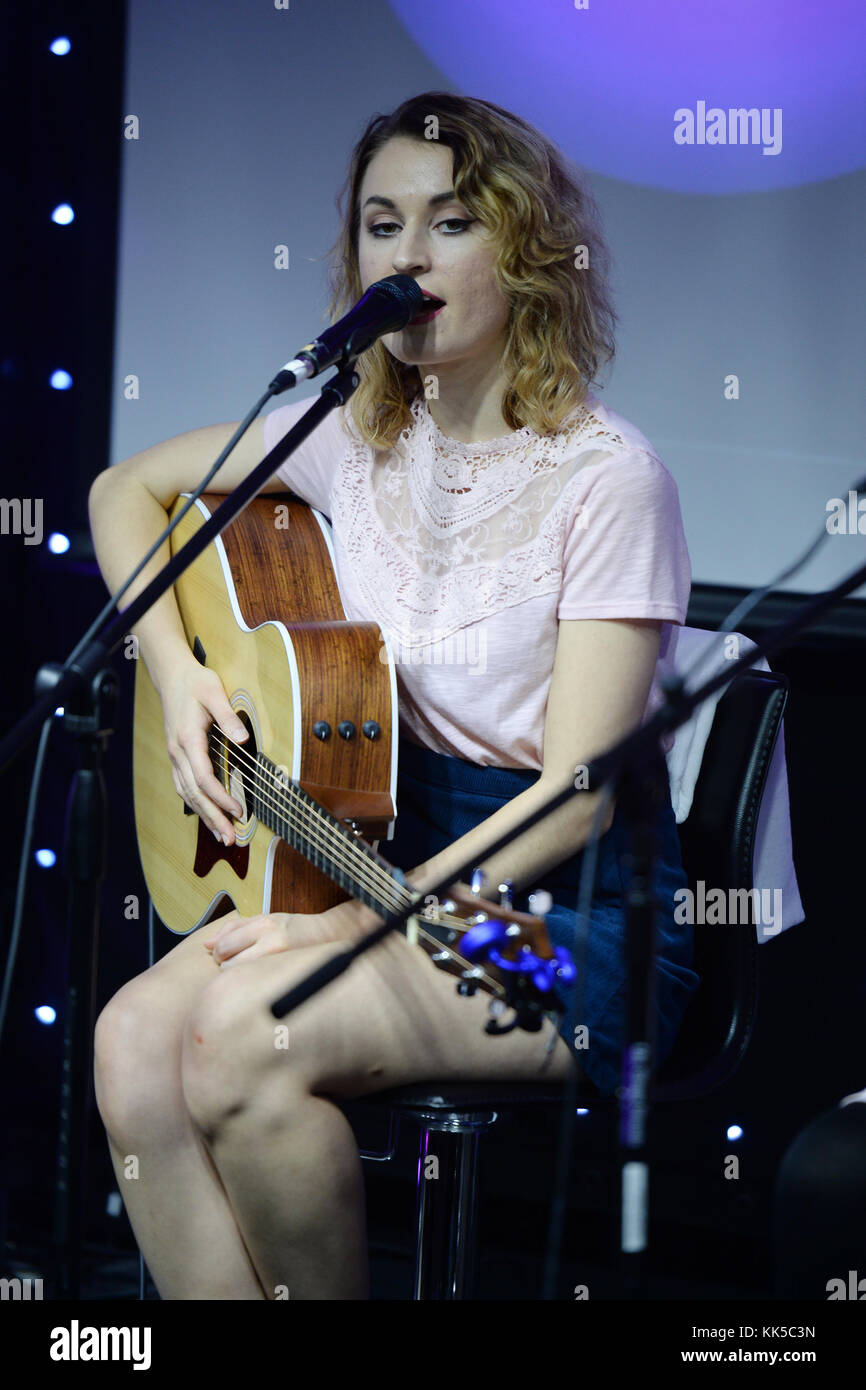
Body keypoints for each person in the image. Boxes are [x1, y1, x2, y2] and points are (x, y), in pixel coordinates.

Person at [89, 91, 699, 1300]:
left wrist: (343, 924)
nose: (405, 258)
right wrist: (181, 672)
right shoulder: (350, 434)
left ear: (525, 255)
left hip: (554, 919)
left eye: (450, 223)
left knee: (238, 1040)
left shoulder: (609, 479)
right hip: (358, 855)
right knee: (129, 1043)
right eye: (380, 225)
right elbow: (122, 493)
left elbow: (572, 803)